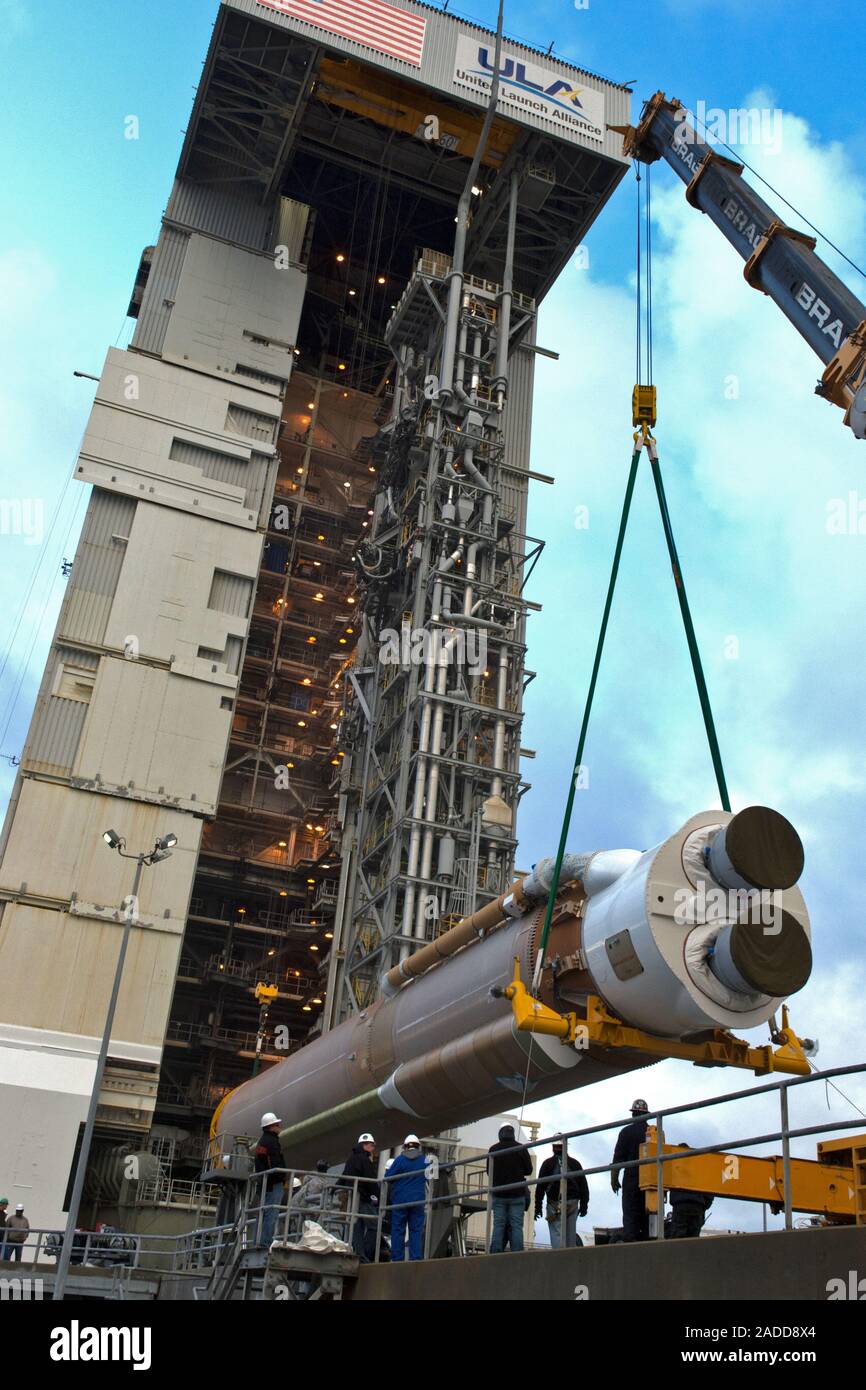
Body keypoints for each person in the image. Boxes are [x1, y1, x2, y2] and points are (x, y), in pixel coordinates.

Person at [535, 1134, 589, 1248]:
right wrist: (584, 1205)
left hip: (554, 1204)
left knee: (556, 1235)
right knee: (570, 1238)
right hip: (573, 1204)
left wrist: (537, 1207)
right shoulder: (575, 1164)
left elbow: (540, 1188)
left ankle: (558, 1260)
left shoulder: (547, 1164)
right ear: (566, 1147)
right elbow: (584, 1187)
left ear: (553, 1147)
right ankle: (570, 1260)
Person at [487, 1123, 532, 1254]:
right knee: (517, 1225)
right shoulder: (521, 1148)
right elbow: (529, 1170)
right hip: (517, 1194)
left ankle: (495, 1253)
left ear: (500, 1133)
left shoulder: (493, 1149)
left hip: (499, 1194)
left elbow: (489, 1171)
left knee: (498, 1225)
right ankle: (517, 1253)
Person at [611, 1099, 651, 1242]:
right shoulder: (654, 1132)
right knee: (649, 1218)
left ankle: (632, 1246)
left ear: (633, 1114)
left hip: (631, 1180)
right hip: (651, 1182)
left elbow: (617, 1160)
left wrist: (614, 1179)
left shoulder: (626, 1132)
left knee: (630, 1216)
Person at [386, 1135, 427, 1262]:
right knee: (416, 1230)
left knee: (398, 1230)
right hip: (418, 1200)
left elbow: (388, 1177)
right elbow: (432, 1176)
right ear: (418, 1146)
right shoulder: (425, 1160)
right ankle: (415, 1258)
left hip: (400, 1200)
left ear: (405, 1146)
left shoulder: (400, 1160)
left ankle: (397, 1258)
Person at [339, 1133, 379, 1263]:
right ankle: (364, 1255)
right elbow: (370, 1180)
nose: (373, 1148)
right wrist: (378, 1196)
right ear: (365, 1145)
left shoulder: (351, 1159)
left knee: (357, 1227)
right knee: (374, 1226)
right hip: (363, 1199)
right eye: (371, 1145)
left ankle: (359, 1254)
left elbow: (344, 1176)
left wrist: (333, 1188)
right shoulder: (364, 1159)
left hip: (352, 1198)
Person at [253, 1111, 286, 1248]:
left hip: (265, 1183)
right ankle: (266, 1242)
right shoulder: (271, 1142)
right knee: (271, 1214)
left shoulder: (262, 1141)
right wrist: (281, 1176)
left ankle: (258, 1241)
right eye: (278, 1124)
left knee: (263, 1214)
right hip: (273, 1184)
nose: (280, 1126)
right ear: (271, 1126)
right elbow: (273, 1163)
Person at [669, 1147, 714, 1238]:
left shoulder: (673, 1167)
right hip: (697, 1206)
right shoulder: (699, 1167)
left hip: (680, 1205)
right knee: (693, 1240)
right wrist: (704, 1206)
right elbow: (709, 1190)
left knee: (678, 1239)